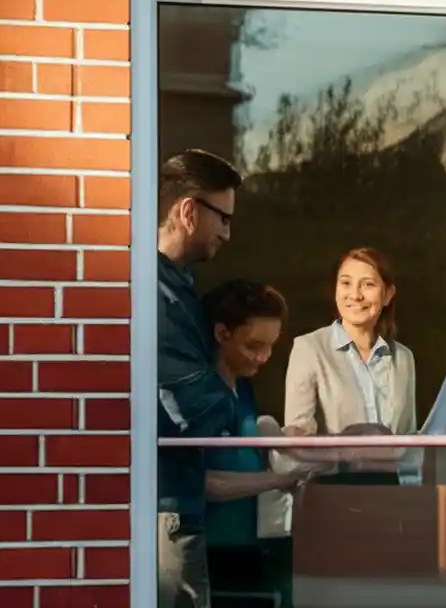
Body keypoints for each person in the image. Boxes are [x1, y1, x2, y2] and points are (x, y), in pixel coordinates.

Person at [157, 148, 243, 608]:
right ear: (188, 212)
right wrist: (229, 389)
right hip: (168, 509)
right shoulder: (157, 297)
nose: (228, 233)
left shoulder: (179, 290)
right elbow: (193, 413)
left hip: (177, 507)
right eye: (222, 218)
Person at [200, 279, 311, 608]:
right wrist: (281, 479)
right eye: (254, 346)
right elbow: (207, 481)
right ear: (222, 334)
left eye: (270, 347)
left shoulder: (243, 387)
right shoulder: (202, 396)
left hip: (251, 545)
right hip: (213, 550)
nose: (263, 358)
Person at [283, 247, 417, 439]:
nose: (355, 295)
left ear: (388, 294)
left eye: (368, 284)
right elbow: (297, 438)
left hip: (393, 461)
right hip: (332, 461)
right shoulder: (309, 348)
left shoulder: (403, 358)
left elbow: (408, 436)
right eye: (346, 283)